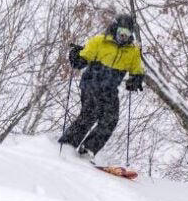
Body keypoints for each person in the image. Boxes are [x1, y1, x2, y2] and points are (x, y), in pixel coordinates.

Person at [59, 14, 145, 157]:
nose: (123, 36)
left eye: (127, 33)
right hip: (92, 82)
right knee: (90, 114)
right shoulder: (100, 41)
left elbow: (137, 69)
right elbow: (83, 58)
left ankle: (88, 149)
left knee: (110, 119)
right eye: (121, 32)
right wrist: (77, 57)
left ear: (131, 34)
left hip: (110, 89)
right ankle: (66, 145)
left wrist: (136, 79)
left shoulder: (132, 51)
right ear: (115, 29)